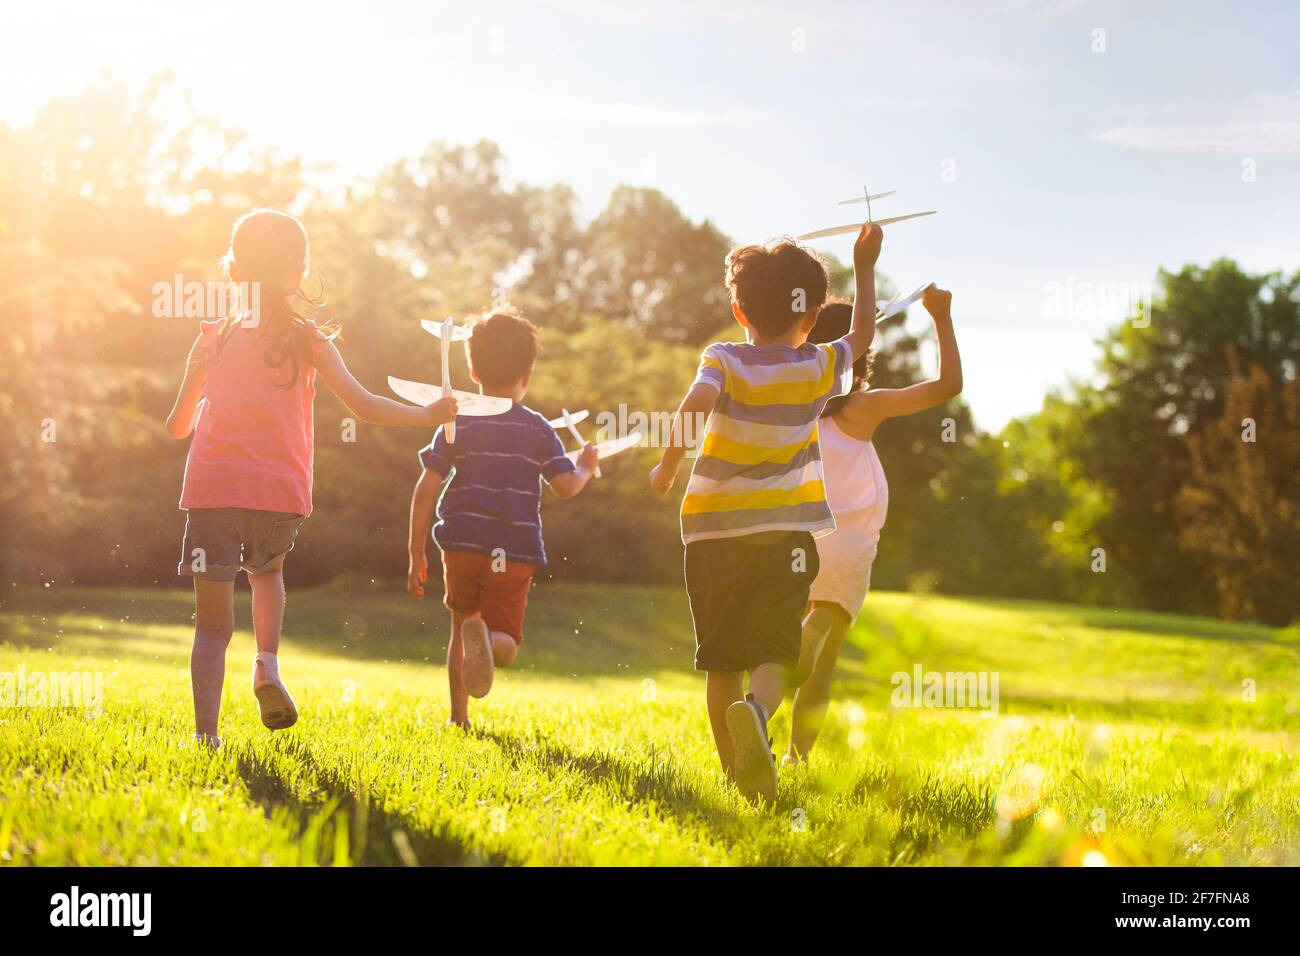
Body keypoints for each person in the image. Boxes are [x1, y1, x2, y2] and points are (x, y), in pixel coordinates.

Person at [166, 208, 457, 747]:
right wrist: (426, 415)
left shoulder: (212, 338)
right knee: (268, 575)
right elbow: (365, 406)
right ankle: (268, 664)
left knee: (211, 628)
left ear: (234, 268)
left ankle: (206, 737)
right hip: (279, 495)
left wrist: (194, 382)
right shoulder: (309, 340)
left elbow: (177, 426)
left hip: (212, 493)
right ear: (296, 272)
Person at [649, 224, 882, 803]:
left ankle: (739, 777)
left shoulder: (723, 358)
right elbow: (864, 333)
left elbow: (695, 402)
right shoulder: (819, 366)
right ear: (811, 314)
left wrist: (668, 463)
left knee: (721, 661)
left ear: (738, 310)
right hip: (787, 537)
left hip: (713, 533)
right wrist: (866, 264)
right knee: (778, 651)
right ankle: (758, 712)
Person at [787, 285, 963, 763]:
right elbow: (948, 387)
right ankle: (792, 754)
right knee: (822, 655)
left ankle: (760, 706)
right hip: (843, 544)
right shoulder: (862, 406)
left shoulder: (790, 402)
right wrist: (941, 318)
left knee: (797, 632)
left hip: (792, 536)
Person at [407, 307, 599, 729]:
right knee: (507, 643)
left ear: (473, 371)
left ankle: (460, 719)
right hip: (511, 551)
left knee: (461, 629)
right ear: (527, 374)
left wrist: (414, 551)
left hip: (460, 543)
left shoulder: (458, 421)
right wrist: (585, 466)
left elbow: (426, 486)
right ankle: (491, 648)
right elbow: (565, 486)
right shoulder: (537, 429)